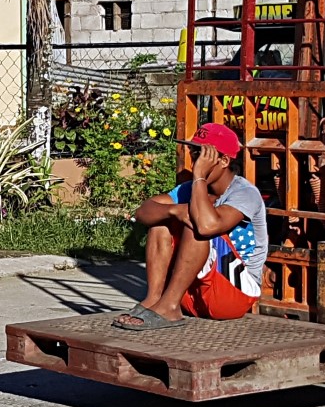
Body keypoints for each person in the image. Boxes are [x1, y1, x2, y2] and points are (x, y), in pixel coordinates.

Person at [113, 122, 267, 330]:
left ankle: (169, 306)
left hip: (233, 295)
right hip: (194, 295)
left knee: (196, 222)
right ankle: (155, 299)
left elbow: (206, 226)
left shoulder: (245, 192)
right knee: (162, 221)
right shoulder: (189, 189)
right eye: (194, 154)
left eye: (203, 156)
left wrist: (199, 177)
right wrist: (173, 210)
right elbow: (143, 212)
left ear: (223, 160)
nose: (195, 162)